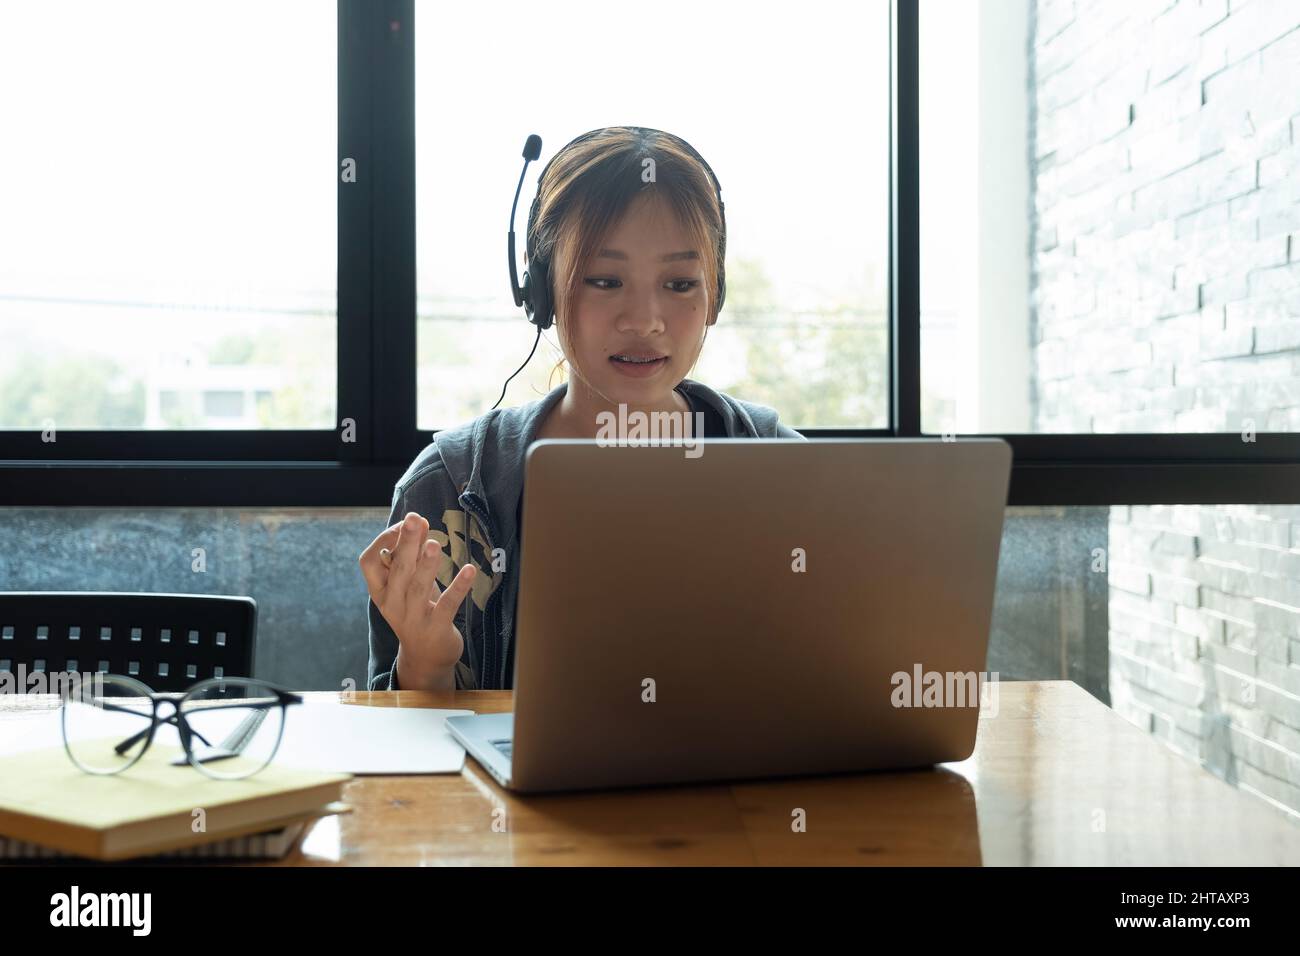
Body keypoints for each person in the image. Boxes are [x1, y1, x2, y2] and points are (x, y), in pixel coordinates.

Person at [359, 126, 802, 692]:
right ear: (541, 292)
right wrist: (426, 664)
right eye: (604, 279)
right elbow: (411, 767)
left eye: (680, 282)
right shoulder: (445, 492)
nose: (644, 319)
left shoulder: (784, 469)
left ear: (714, 293)